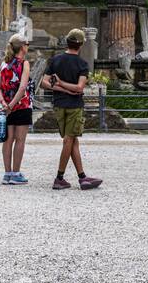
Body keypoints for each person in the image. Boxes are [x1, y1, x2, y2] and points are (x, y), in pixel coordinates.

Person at [39, 29, 102, 191]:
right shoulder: (82, 64)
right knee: (69, 140)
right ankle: (59, 178)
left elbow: (44, 82)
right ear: (80, 45)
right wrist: (68, 89)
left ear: (67, 42)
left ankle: (82, 177)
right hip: (74, 106)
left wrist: (60, 85)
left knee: (73, 141)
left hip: (59, 105)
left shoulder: (56, 60)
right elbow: (80, 88)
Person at [0, 35, 32, 184]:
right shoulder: (25, 63)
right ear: (23, 47)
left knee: (8, 140)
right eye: (27, 44)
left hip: (6, 107)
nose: (28, 46)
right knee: (20, 140)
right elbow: (22, 87)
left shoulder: (3, 64)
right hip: (22, 105)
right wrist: (12, 105)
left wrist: (4, 103)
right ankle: (16, 174)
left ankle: (7, 173)